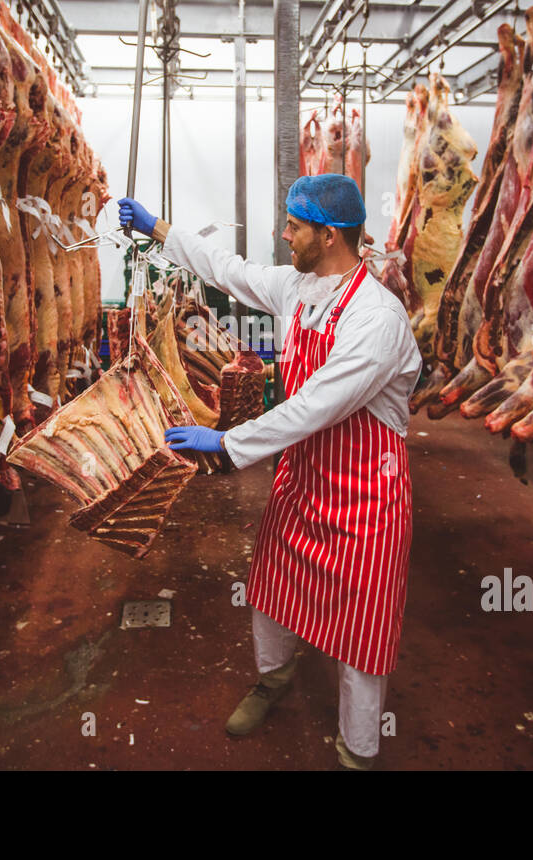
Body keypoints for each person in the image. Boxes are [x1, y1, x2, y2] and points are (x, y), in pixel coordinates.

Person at [117, 173, 422, 770]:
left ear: (329, 235)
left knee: (361, 631)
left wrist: (229, 443)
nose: (283, 235)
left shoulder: (376, 318)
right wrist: (158, 229)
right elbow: (228, 269)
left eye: (294, 226)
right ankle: (273, 681)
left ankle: (358, 749)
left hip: (367, 497)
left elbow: (316, 406)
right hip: (303, 481)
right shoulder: (298, 288)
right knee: (272, 593)